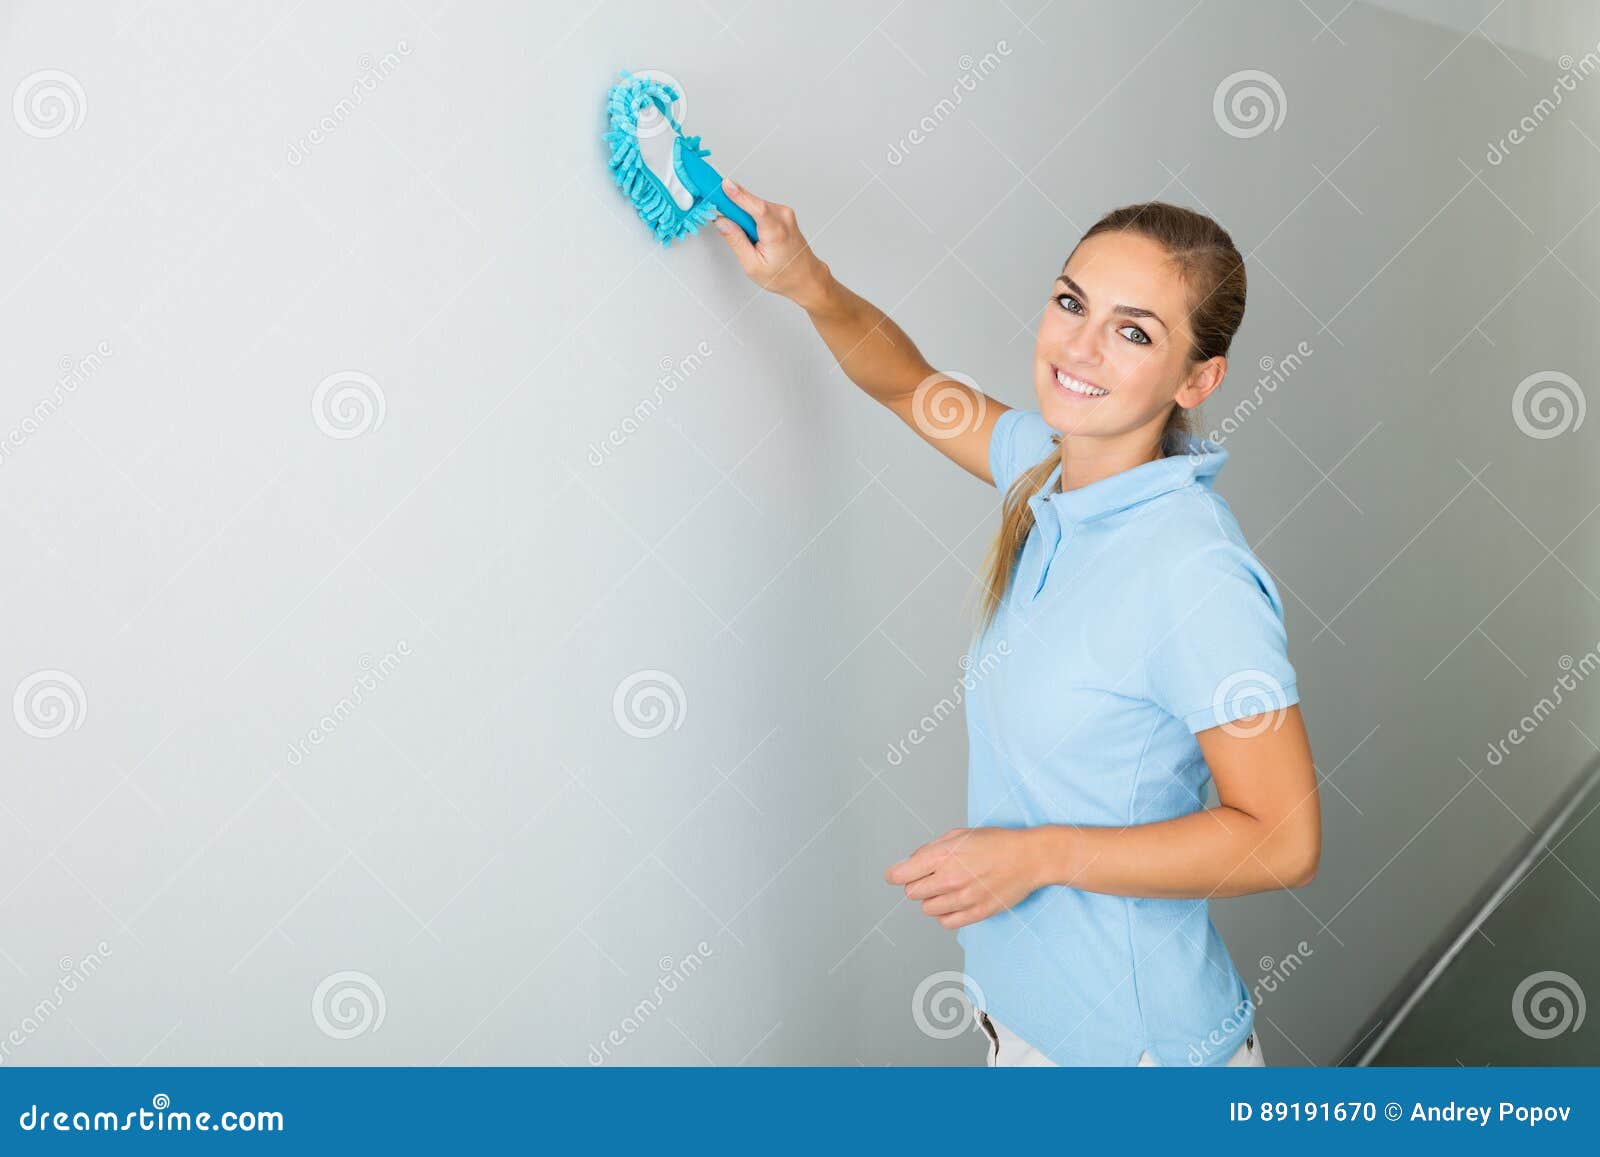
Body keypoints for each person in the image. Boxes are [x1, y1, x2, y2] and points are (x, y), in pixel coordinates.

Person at [711, 180, 1320, 1067]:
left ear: (1198, 377)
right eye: (1072, 302)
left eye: (1134, 330)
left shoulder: (1195, 575)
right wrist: (808, 281)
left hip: (1138, 1060)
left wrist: (1038, 856)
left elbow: (1283, 837)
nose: (1080, 345)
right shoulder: (1046, 466)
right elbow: (908, 384)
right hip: (1030, 1034)